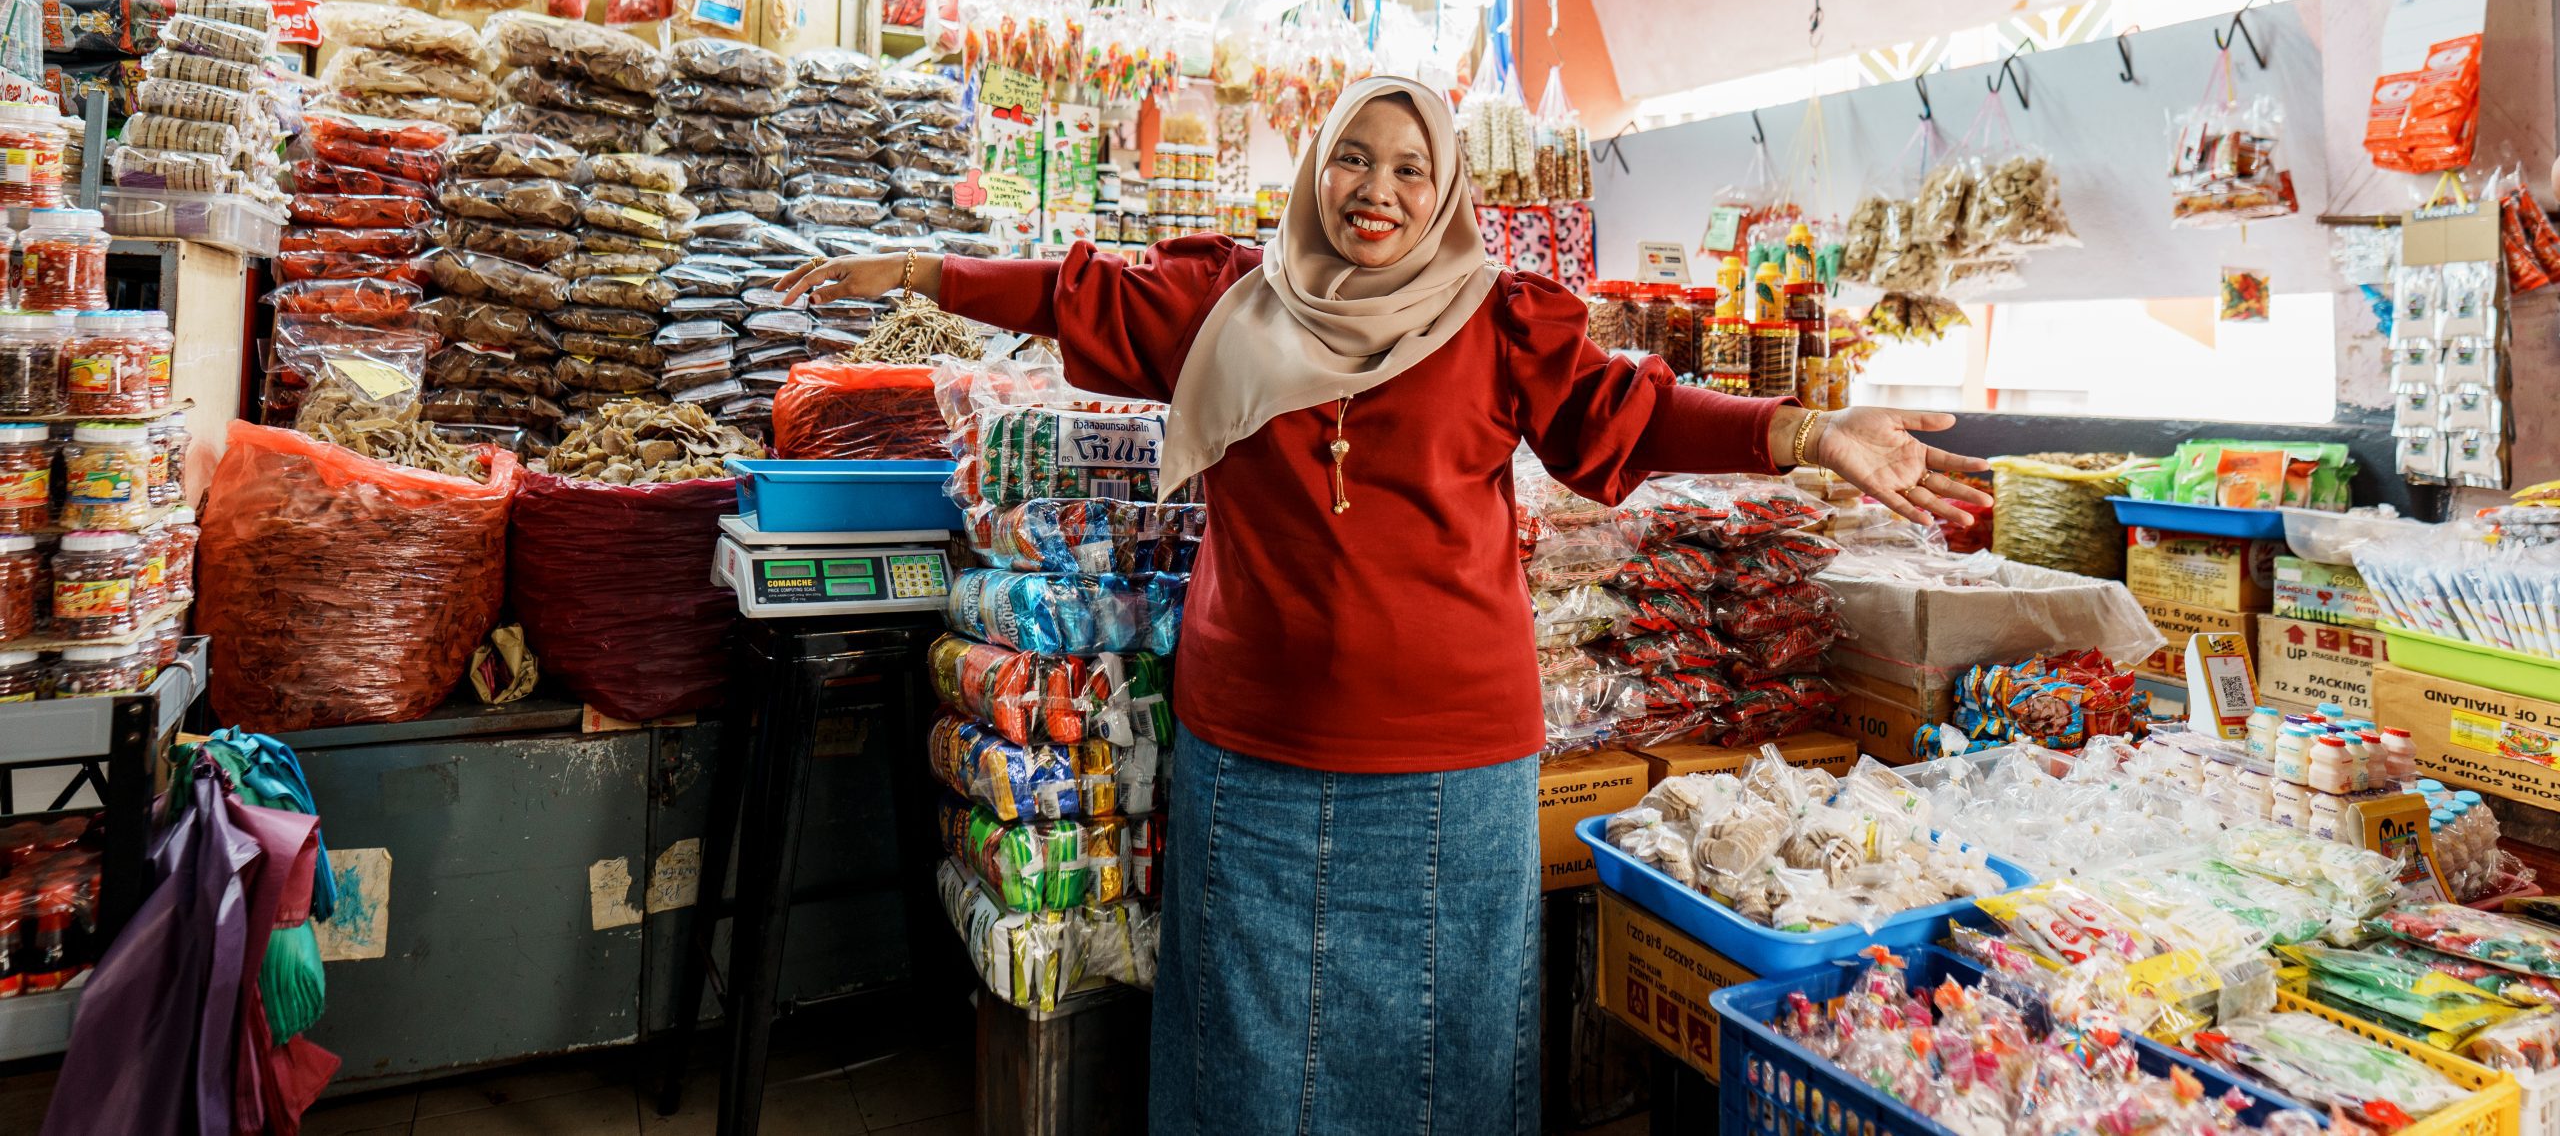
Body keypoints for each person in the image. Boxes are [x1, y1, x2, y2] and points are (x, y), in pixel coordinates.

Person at [779, 75, 1986, 1135]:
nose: (1378, 189)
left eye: (1412, 168)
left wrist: (1804, 429)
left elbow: (1632, 410)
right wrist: (920, 270)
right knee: (1247, 1054)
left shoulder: (1500, 320)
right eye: (1354, 156)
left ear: (1446, 188)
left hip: (1449, 773)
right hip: (1253, 759)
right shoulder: (1230, 307)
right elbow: (1077, 293)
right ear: (1316, 168)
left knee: (1439, 1054)